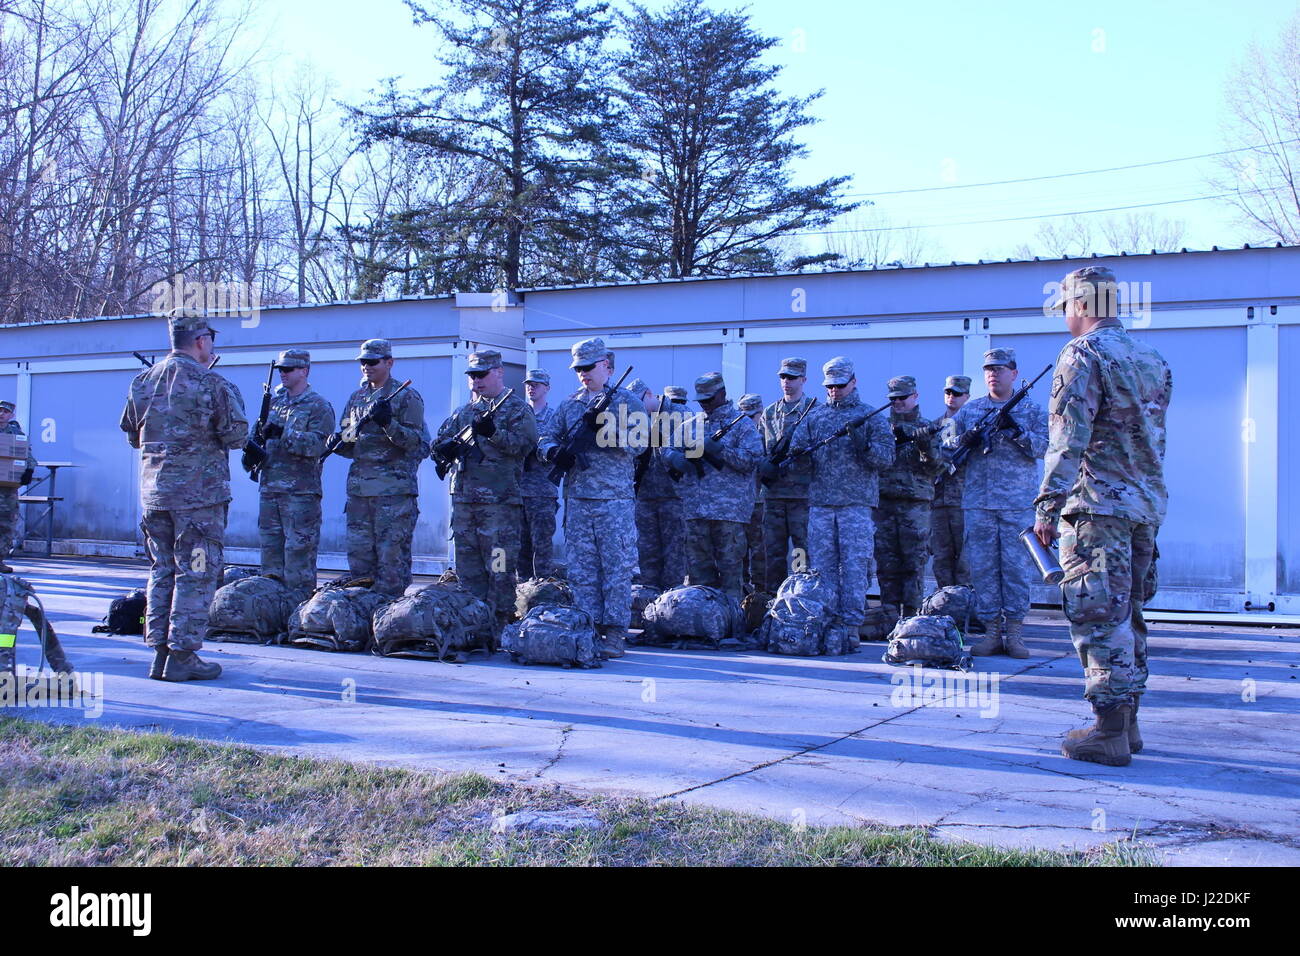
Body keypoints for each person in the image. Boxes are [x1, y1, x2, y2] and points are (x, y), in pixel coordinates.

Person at [1035, 266, 1172, 766]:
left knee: (1098, 616)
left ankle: (1108, 732)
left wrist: (1048, 504)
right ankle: (1128, 724)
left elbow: (1067, 438)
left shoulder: (1082, 354)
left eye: (1067, 306)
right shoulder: (1150, 357)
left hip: (1097, 508)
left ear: (1084, 305)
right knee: (1129, 614)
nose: (1065, 317)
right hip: (1142, 508)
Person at [120, 313, 247, 681]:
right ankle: (183, 655)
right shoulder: (213, 383)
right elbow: (235, 436)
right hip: (199, 500)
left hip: (155, 497)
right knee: (195, 572)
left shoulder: (142, 382)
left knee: (162, 570)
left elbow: (131, 433)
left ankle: (159, 652)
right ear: (202, 341)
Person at [538, 337, 647, 657]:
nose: (583, 374)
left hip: (614, 500)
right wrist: (553, 452)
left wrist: (604, 431)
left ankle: (614, 632)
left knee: (616, 567)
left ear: (605, 367)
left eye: (588, 368)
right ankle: (587, 624)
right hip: (579, 499)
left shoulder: (627, 402)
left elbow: (641, 443)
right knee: (581, 569)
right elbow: (546, 436)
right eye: (578, 369)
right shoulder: (570, 404)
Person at [945, 348, 1049, 658]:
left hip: (1017, 504)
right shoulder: (970, 411)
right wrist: (966, 440)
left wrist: (1016, 431)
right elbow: (945, 445)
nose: (994, 373)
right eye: (989, 369)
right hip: (978, 502)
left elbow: (1044, 448)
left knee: (1015, 570)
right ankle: (991, 632)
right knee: (984, 569)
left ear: (1014, 374)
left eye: (1001, 369)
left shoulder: (1031, 410)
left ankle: (1014, 632)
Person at [787, 357, 893, 651]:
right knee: (823, 568)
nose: (834, 390)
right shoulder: (815, 417)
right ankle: (829, 621)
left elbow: (886, 459)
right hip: (821, 504)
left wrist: (865, 446)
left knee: (856, 566)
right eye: (830, 386)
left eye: (840, 385)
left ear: (853, 382)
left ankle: (851, 625)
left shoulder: (870, 416)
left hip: (856, 504)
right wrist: (798, 454)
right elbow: (797, 455)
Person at [433, 349, 537, 633]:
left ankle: (501, 622)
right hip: (465, 502)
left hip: (499, 504)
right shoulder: (464, 411)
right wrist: (442, 449)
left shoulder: (517, 409)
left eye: (482, 375)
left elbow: (525, 447)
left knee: (500, 565)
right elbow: (440, 443)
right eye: (472, 376)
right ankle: (474, 622)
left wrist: (493, 433)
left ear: (499, 373)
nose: (476, 381)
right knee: (468, 565)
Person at [330, 338, 430, 598]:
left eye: (372, 361)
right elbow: (350, 439)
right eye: (363, 362)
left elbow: (417, 444)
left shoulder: (406, 396)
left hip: (393, 494)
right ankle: (361, 618)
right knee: (360, 561)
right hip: (360, 493)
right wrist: (336, 442)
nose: (366, 366)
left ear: (389, 362)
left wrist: (388, 424)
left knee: (391, 560)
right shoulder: (357, 397)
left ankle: (390, 620)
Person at [662, 374, 763, 604]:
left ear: (722, 394)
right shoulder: (691, 425)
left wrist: (720, 451)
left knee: (730, 573)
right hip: (696, 510)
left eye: (709, 399)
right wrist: (674, 458)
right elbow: (665, 449)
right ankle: (703, 624)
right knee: (698, 575)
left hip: (729, 512)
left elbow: (752, 462)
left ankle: (732, 626)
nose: (704, 404)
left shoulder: (742, 425)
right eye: (701, 400)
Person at [248, 349, 336, 604]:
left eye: (289, 369)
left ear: (304, 371)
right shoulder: (274, 401)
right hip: (270, 488)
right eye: (281, 370)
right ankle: (271, 608)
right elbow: (259, 436)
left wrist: (285, 434)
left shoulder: (318, 405)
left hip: (300, 492)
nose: (283, 374)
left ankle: (298, 610)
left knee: (299, 553)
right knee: (271, 553)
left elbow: (321, 446)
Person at [875, 375, 943, 619]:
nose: (898, 403)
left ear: (915, 396)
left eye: (903, 397)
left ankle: (912, 615)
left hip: (915, 505)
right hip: (884, 503)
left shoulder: (927, 426)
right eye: (893, 399)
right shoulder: (880, 427)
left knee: (914, 562)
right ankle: (889, 614)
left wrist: (925, 446)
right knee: (886, 561)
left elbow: (936, 468)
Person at [759, 358, 816, 595]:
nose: (787, 382)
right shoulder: (770, 412)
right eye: (783, 377)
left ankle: (800, 596)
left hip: (802, 495)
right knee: (772, 551)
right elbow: (759, 448)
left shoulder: (813, 411)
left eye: (792, 378)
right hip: (773, 495)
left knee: (800, 552)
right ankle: (773, 598)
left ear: (803, 379)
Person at [634, 384, 689, 592]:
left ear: (649, 394)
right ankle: (650, 595)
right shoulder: (638, 418)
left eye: (639, 403)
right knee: (647, 549)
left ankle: (672, 599)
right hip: (646, 494)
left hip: (675, 495)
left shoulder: (680, 413)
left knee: (674, 550)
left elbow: (694, 452)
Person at [929, 375, 971, 593]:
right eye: (948, 393)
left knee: (966, 559)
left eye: (957, 393)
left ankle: (966, 605)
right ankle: (945, 603)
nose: (951, 397)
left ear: (967, 396)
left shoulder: (973, 427)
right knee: (941, 557)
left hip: (964, 501)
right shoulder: (933, 427)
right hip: (938, 500)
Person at [518, 369, 558, 580]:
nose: (531, 388)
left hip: (542, 491)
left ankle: (543, 590)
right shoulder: (519, 415)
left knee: (541, 546)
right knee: (519, 548)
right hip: (517, 491)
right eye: (528, 384)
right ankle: (521, 593)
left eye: (536, 384)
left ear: (547, 388)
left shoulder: (554, 418)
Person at [0, 400, 37, 573]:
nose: (1, 414)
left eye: (5, 412)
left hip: (8, 489)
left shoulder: (15, 433)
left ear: (11, 415)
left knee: (7, 524)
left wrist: (29, 469)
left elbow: (27, 454)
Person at [737, 393, 765, 593]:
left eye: (751, 416)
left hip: (759, 501)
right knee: (739, 549)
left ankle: (760, 592)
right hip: (739, 502)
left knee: (759, 549)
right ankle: (743, 590)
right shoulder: (737, 435)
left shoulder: (767, 436)